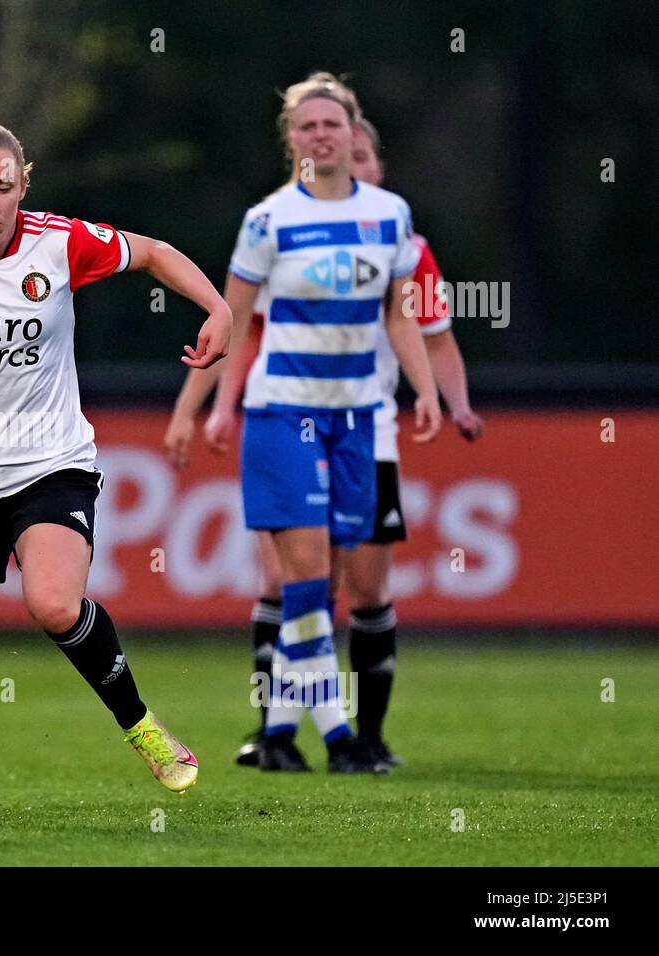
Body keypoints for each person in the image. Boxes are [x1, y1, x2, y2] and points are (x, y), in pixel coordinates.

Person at [0, 120, 232, 792]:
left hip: (52, 463)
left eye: (4, 186)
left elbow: (154, 252)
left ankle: (145, 729)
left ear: (24, 184)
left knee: (55, 604)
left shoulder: (60, 241)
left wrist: (216, 309)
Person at [168, 112, 484, 769]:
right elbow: (238, 328)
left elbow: (426, 329)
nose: (349, 158)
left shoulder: (399, 233)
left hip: (368, 427)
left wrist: (443, 399)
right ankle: (293, 732)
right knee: (295, 579)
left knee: (357, 588)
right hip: (287, 414)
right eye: (314, 130)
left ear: (372, 163)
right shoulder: (274, 222)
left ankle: (351, 736)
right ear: (296, 143)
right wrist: (207, 408)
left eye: (359, 149)